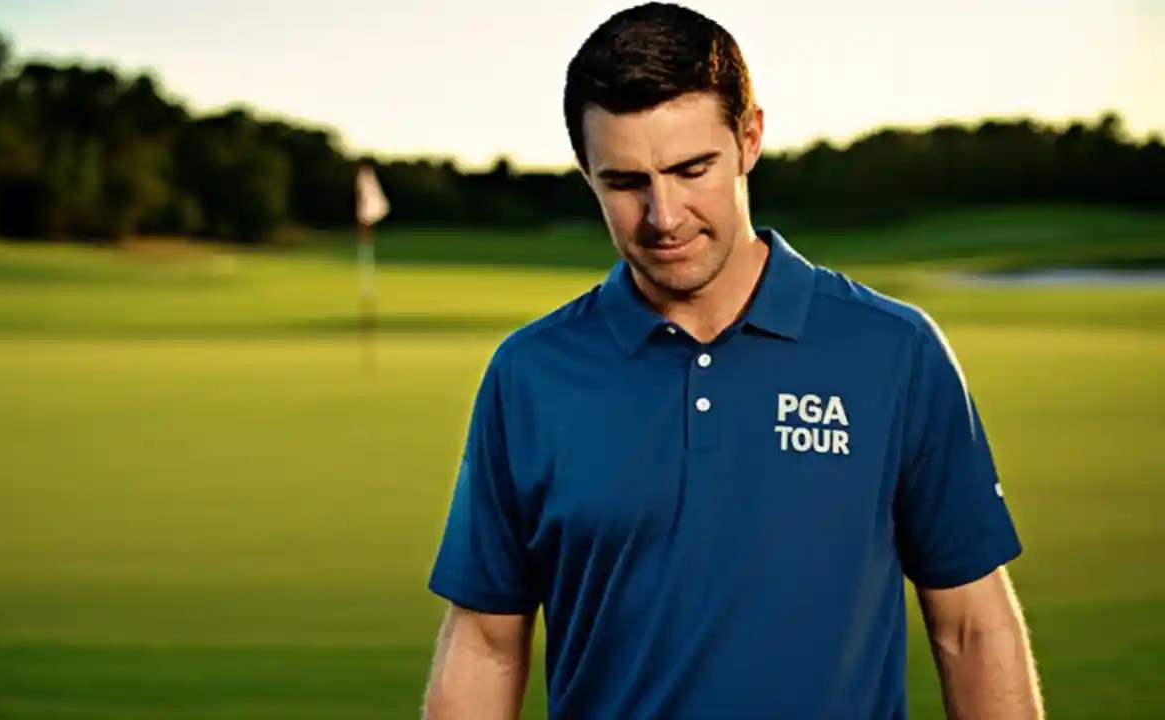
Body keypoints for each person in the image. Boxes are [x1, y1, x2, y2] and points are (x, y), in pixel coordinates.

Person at [422, 3, 1044, 718]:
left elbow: (971, 626)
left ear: (749, 138)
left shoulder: (894, 351)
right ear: (586, 172)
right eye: (625, 182)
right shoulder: (528, 375)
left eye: (692, 169)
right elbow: (486, 641)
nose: (663, 216)